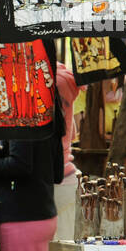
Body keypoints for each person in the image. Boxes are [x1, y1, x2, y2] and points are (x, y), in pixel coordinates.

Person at [53, 63, 79, 239]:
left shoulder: (39, 76)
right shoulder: (64, 79)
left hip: (49, 182)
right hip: (68, 177)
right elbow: (74, 133)